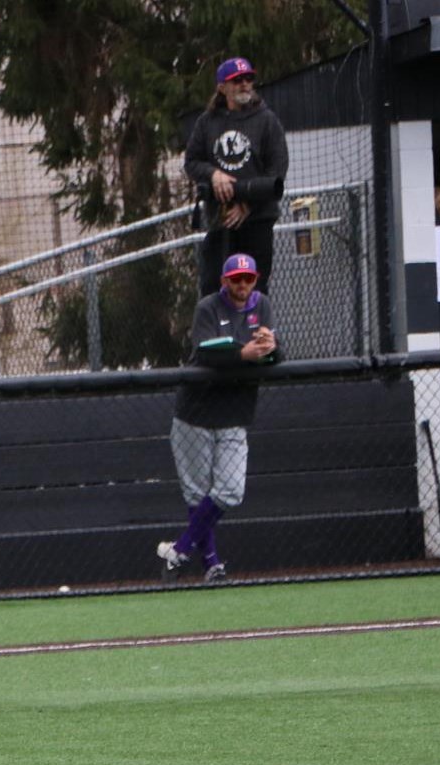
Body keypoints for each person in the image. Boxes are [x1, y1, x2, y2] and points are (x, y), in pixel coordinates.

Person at [156, 253, 281, 583]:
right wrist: (244, 354)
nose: (242, 285)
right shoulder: (208, 308)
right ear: (224, 281)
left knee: (229, 490)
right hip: (195, 413)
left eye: (248, 278)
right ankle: (212, 564)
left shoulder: (262, 305)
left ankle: (179, 549)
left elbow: (275, 354)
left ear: (255, 279)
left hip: (235, 413)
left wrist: (273, 347)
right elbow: (207, 351)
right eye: (236, 279)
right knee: (197, 495)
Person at [183, 57, 288, 297]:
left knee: (254, 290)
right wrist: (214, 174)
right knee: (212, 287)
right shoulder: (207, 123)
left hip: (257, 221)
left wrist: (247, 204)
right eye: (237, 80)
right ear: (222, 87)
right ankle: (218, 334)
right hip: (220, 221)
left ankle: (256, 334)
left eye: (248, 78)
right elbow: (191, 162)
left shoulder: (267, 121)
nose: (244, 84)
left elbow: (277, 170)